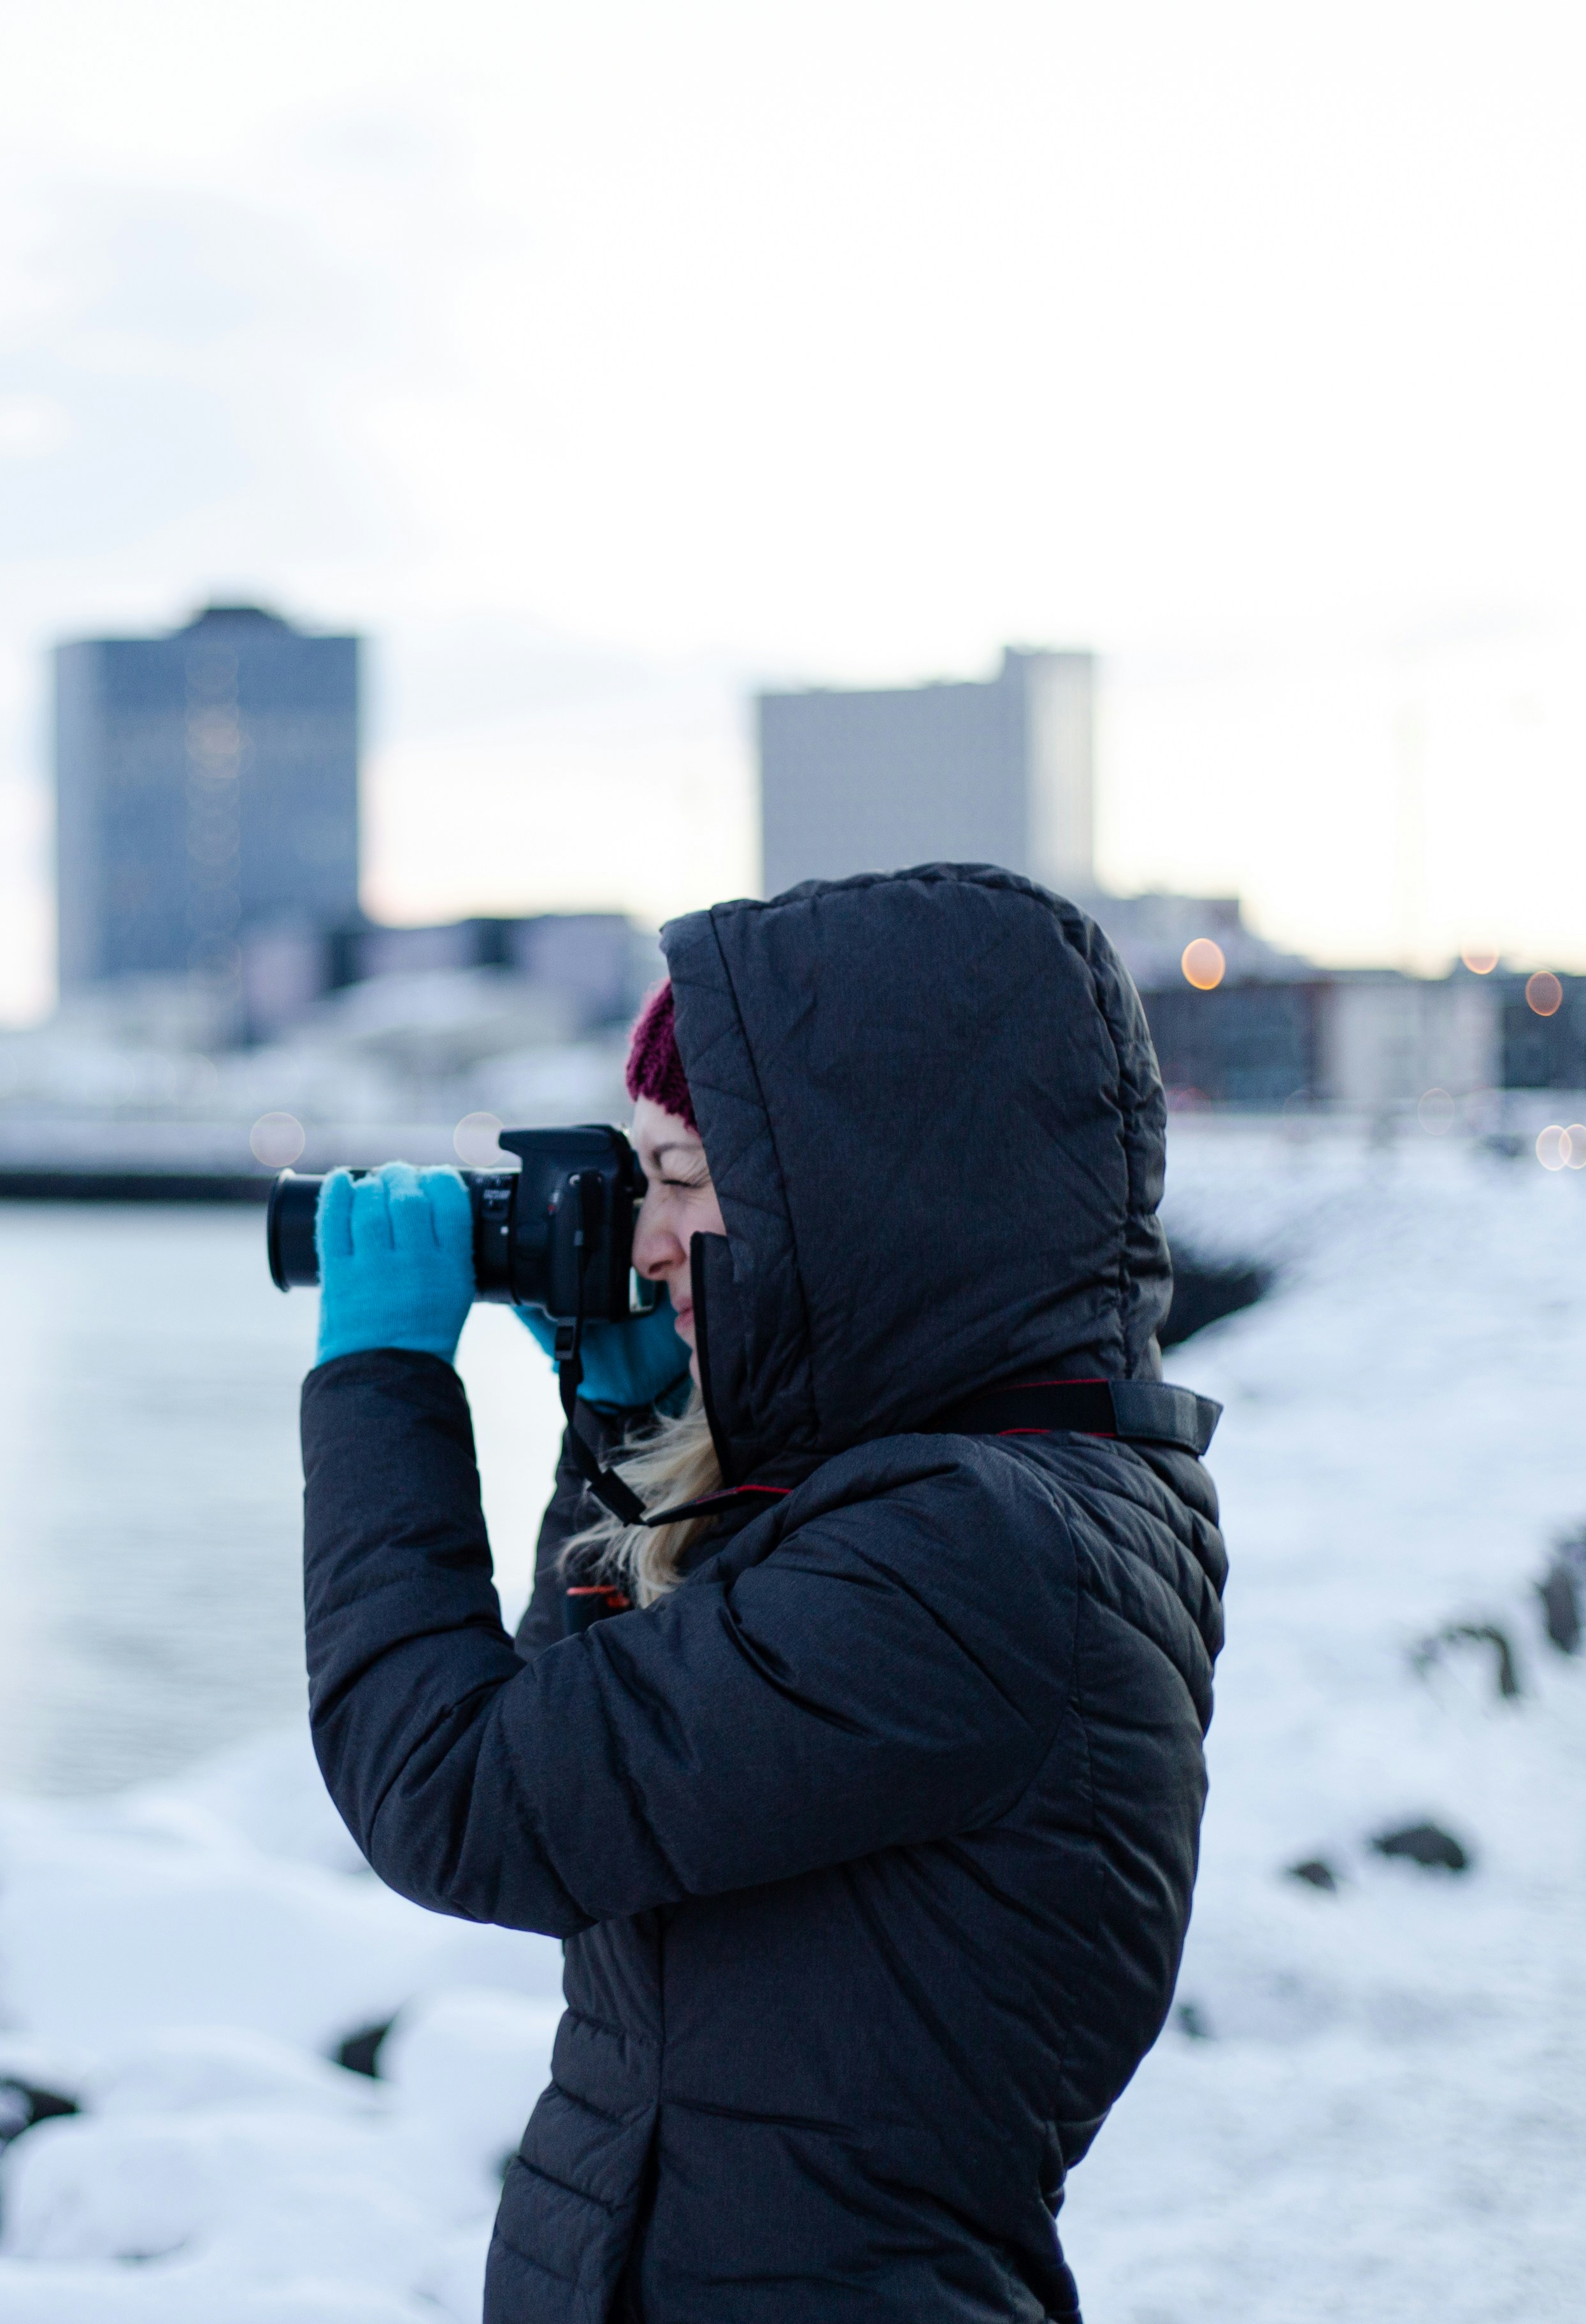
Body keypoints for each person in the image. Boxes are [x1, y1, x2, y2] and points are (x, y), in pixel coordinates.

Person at [297, 867, 1226, 2323]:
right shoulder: (937, 1496)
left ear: (845, 1199)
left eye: (679, 1183)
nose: (648, 1241)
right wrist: (620, 1434)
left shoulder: (968, 1552)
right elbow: (592, 1778)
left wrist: (380, 1381)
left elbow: (460, 1796)